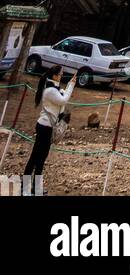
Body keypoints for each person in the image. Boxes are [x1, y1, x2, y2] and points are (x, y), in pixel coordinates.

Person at [23, 66, 76, 194]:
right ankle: (25, 187)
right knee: (36, 158)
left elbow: (61, 105)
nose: (62, 76)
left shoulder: (54, 89)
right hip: (44, 127)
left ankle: (36, 188)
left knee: (40, 158)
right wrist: (71, 86)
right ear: (55, 76)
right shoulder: (51, 91)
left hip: (47, 127)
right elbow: (63, 100)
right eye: (61, 74)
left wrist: (68, 86)